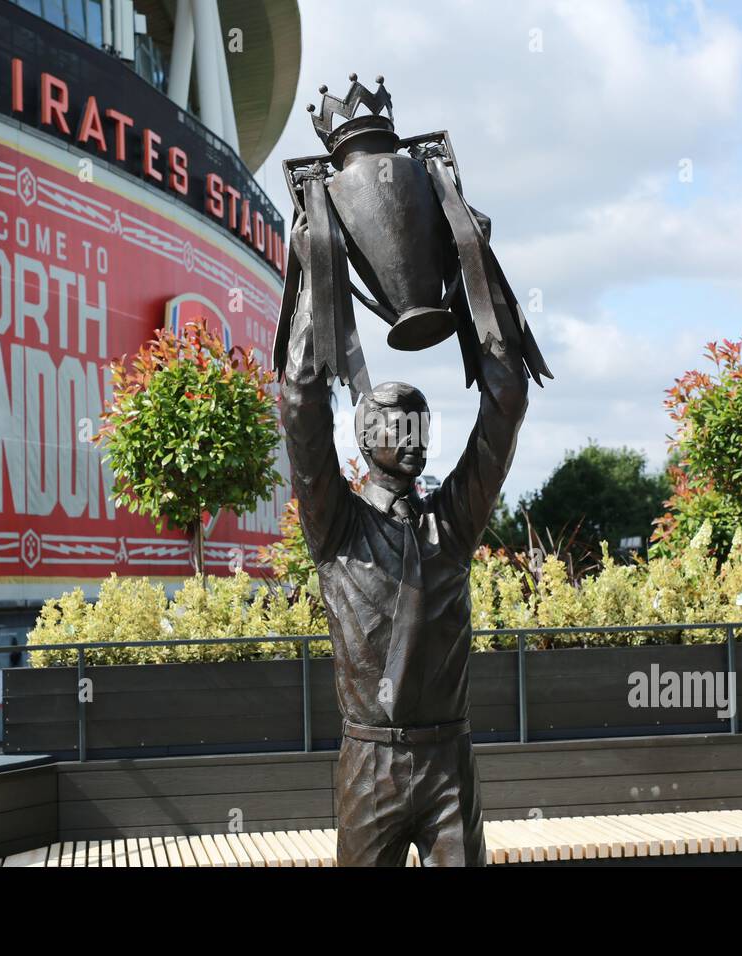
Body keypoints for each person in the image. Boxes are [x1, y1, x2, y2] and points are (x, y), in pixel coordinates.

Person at [278, 214, 534, 867]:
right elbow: (301, 399)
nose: (411, 429)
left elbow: (506, 394)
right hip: (371, 766)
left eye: (419, 419)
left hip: (449, 761)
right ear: (365, 438)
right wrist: (318, 270)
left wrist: (473, 263)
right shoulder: (336, 527)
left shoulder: (451, 524)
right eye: (397, 418)